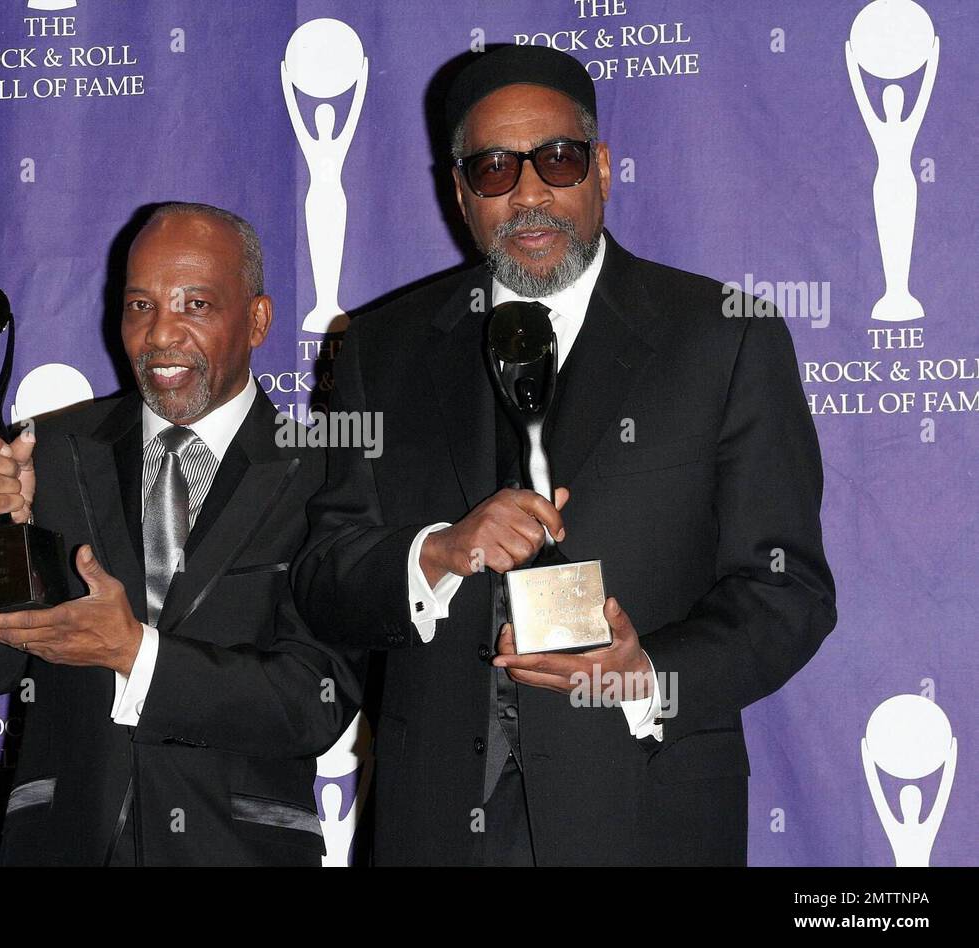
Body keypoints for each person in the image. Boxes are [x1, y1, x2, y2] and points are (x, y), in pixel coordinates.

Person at [292, 45, 837, 865]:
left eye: (558, 159)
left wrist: (646, 672)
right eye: (495, 171)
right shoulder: (380, 350)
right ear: (460, 196)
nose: (531, 195)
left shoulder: (723, 338)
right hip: (433, 828)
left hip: (644, 816)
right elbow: (325, 578)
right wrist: (433, 554)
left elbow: (786, 588)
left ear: (604, 169)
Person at [0, 203, 361, 866]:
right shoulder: (50, 455)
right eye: (139, 306)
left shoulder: (323, 475)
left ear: (257, 320)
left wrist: (137, 653)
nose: (162, 335)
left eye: (195, 304)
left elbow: (315, 701)